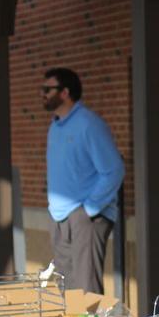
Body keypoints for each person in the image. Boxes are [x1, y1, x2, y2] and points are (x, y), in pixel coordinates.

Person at [42, 67, 124, 293]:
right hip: (58, 216)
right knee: (65, 285)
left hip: (85, 217)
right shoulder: (55, 126)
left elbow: (114, 169)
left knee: (86, 288)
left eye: (48, 89)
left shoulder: (89, 124)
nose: (44, 94)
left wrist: (89, 209)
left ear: (65, 92)